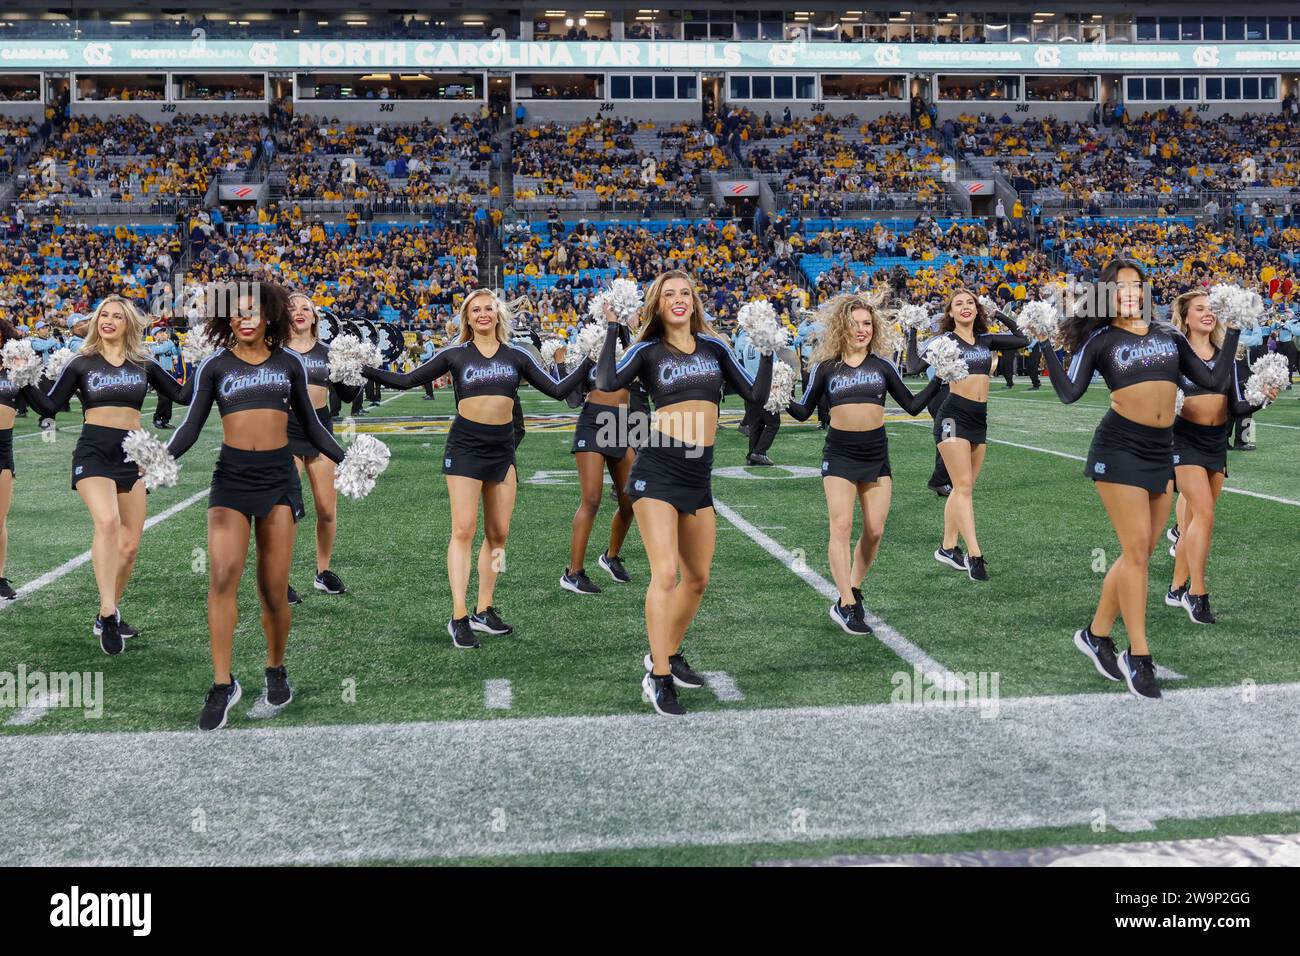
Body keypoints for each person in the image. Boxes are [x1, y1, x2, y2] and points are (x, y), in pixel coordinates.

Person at [1038, 259, 1239, 700]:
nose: (1129, 292)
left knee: (1142, 552)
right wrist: (1043, 343)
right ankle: (1139, 654)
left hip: (1162, 449)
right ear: (1106, 295)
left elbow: (1212, 377)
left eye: (1136, 285)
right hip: (1119, 448)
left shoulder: (1169, 335)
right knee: (1135, 553)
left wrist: (1237, 328)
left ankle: (1096, 634)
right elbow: (1069, 393)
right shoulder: (1100, 339)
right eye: (1120, 286)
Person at [360, 289, 593, 648]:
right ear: (467, 318)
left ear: (498, 315)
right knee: (464, 529)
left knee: (499, 535)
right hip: (466, 447)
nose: (483, 314)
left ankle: (485, 608)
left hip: (502, 449)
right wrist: (360, 368)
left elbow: (559, 390)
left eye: (489, 308)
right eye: (475, 310)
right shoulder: (454, 354)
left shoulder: (517, 355)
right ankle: (458, 615)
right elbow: (406, 380)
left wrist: (589, 359)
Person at [165, 280, 350, 731]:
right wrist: (159, 458)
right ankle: (222, 683)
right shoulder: (215, 366)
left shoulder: (289, 363)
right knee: (222, 575)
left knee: (273, 588)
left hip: (278, 477)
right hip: (231, 477)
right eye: (237, 312)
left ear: (269, 315)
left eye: (253, 311)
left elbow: (313, 425)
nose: (245, 319)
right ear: (226, 318)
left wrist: (349, 460)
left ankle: (275, 667)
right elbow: (190, 426)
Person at [596, 270, 773, 716]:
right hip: (657, 466)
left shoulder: (715, 348)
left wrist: (768, 349)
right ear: (657, 305)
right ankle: (658, 676)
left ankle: (668, 652)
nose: (679, 299)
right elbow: (606, 382)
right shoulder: (647, 351)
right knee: (666, 574)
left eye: (686, 293)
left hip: (698, 474)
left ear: (694, 302)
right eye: (669, 294)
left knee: (697, 579)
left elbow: (755, 396)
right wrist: (614, 327)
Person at [24, 296, 192, 653]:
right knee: (108, 522)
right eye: (104, 315)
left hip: (133, 452)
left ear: (128, 323)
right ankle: (107, 613)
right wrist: (24, 378)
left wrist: (201, 360)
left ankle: (109, 611)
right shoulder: (81, 363)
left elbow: (182, 395)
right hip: (94, 451)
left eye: (117, 316)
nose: (109, 320)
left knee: (130, 545)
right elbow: (49, 406)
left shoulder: (143, 363)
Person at [786, 293, 940, 634]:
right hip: (839, 453)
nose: (861, 330)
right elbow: (803, 411)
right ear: (842, 326)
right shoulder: (826, 367)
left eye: (867, 324)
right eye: (854, 323)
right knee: (841, 526)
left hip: (875, 453)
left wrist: (940, 378)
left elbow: (913, 406)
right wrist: (779, 397)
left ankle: (852, 588)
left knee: (874, 530)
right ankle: (846, 603)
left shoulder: (882, 365)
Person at [1164, 290, 1276, 625]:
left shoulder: (1226, 356)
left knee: (1193, 522)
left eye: (1211, 308)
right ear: (1185, 317)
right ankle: (1197, 593)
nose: (1208, 313)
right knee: (1205, 514)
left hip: (1216, 444)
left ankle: (1175, 588)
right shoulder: (1175, 354)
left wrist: (1263, 397)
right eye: (1199, 309)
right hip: (1184, 442)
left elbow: (1237, 406)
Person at [926, 289, 1028, 581]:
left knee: (963, 488)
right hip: (952, 416)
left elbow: (1022, 339)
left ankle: (947, 548)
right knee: (963, 487)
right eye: (958, 303)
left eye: (970, 302)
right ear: (950, 312)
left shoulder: (986, 340)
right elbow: (914, 363)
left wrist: (999, 314)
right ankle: (975, 554)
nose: (965, 307)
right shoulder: (945, 341)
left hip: (978, 420)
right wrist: (911, 334)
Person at [285, 292, 361, 605]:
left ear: (315, 317)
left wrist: (352, 369)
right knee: (286, 510)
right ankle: (279, 578)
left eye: (306, 308)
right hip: (285, 431)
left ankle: (323, 571)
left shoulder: (329, 352)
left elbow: (347, 395)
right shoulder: (275, 352)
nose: (300, 312)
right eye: (293, 308)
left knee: (327, 510)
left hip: (321, 429)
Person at [561, 324, 644, 595]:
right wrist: (566, 363)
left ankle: (611, 556)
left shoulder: (633, 352)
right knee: (592, 499)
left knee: (630, 501)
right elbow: (572, 399)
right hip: (592, 423)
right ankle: (573, 572)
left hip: (621, 426)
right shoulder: (591, 351)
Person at [0, 319, 22, 600]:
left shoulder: (16, 367)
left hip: (3, 447)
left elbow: (44, 400)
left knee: (0, 518)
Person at [149, 326, 180, 428]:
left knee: (169, 397)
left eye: (163, 332)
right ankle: (157, 419)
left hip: (169, 372)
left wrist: (177, 344)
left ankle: (165, 420)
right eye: (159, 333)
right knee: (163, 398)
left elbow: (177, 353)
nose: (162, 334)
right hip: (158, 374)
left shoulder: (167, 344)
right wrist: (171, 342)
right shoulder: (153, 345)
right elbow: (162, 350)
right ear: (154, 336)